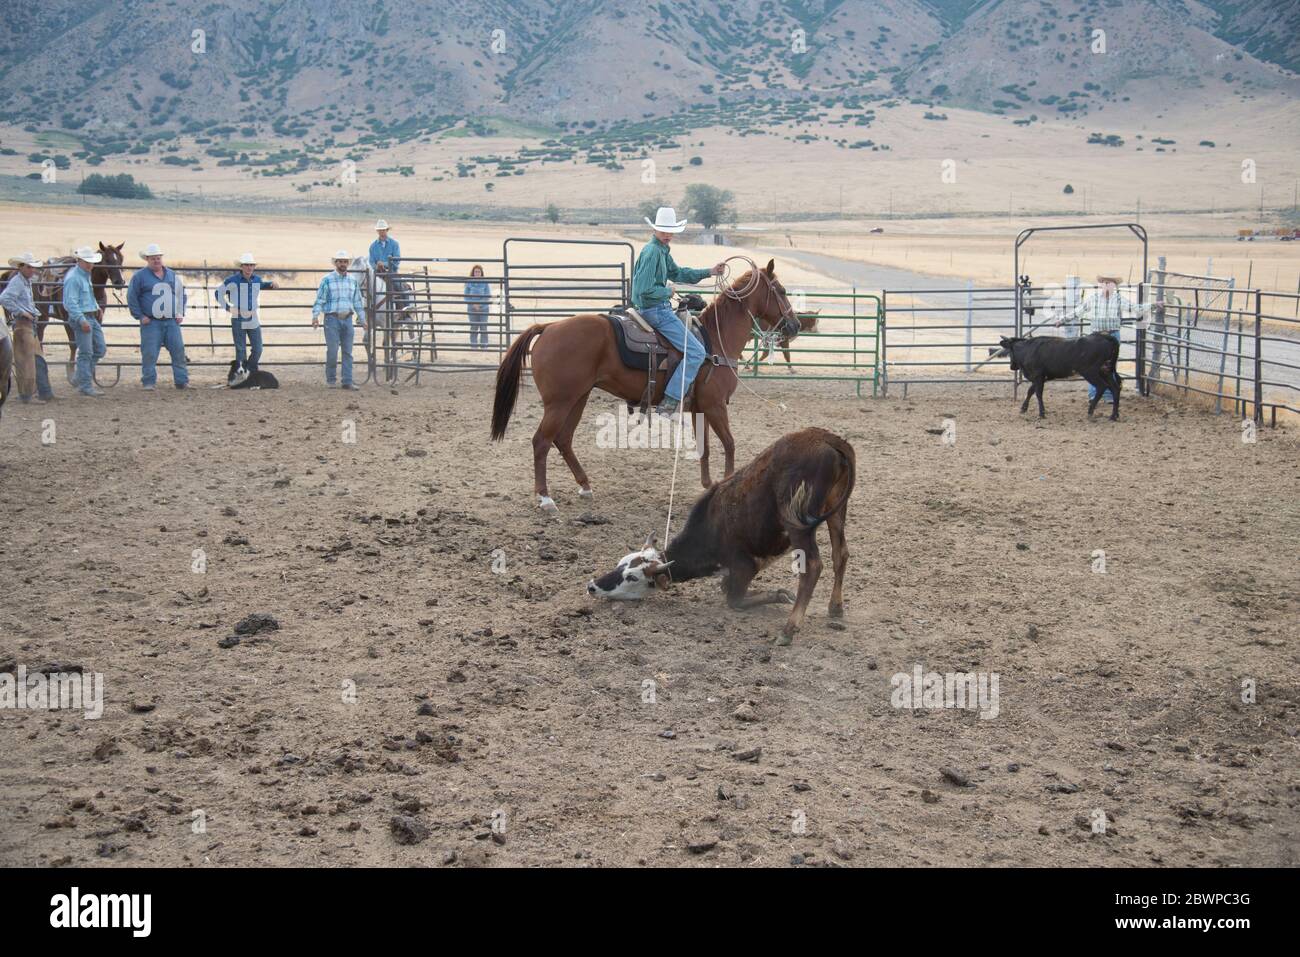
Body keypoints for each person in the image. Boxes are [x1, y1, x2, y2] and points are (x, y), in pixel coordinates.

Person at [631, 206, 724, 417]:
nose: (668, 235)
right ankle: (670, 401)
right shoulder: (653, 252)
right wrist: (668, 291)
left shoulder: (662, 250)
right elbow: (642, 290)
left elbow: (678, 273)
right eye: (664, 231)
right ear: (655, 230)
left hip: (657, 308)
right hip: (655, 311)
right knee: (697, 352)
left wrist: (709, 271)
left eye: (670, 231)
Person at [1060, 275, 1150, 404]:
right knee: (1091, 366)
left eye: (1110, 283)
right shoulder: (1093, 298)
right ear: (1101, 285)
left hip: (1112, 336)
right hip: (1095, 338)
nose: (1107, 285)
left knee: (1109, 366)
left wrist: (1152, 306)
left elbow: (1136, 309)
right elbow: (1078, 311)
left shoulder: (1118, 299)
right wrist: (1062, 320)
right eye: (1104, 282)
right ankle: (1094, 395)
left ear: (1114, 286)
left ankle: (1108, 395)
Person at [127, 243, 189, 391]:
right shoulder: (139, 277)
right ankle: (148, 382)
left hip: (171, 319)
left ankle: (182, 381)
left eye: (158, 258)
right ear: (147, 259)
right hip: (151, 321)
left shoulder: (171, 275)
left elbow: (181, 295)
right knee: (149, 352)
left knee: (178, 350)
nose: (156, 261)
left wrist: (180, 312)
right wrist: (140, 316)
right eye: (153, 258)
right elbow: (132, 297)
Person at [1, 252, 56, 403]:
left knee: (36, 360)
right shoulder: (18, 282)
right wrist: (22, 312)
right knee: (27, 361)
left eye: (33, 267)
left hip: (28, 324)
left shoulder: (24, 281)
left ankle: (44, 392)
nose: (33, 270)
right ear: (21, 267)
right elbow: (4, 298)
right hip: (23, 324)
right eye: (29, 267)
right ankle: (27, 395)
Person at [215, 253, 276, 380]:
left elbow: (263, 284)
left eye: (251, 265)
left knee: (258, 348)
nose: (249, 267)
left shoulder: (257, 280)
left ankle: (250, 370)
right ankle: (242, 375)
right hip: (238, 316)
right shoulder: (232, 280)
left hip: (253, 316)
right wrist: (228, 308)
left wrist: (271, 284)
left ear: (254, 267)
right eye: (247, 265)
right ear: (241, 267)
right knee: (240, 349)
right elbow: (218, 293)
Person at [312, 250, 366, 390]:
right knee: (333, 350)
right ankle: (331, 379)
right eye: (340, 261)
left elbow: (357, 302)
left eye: (345, 262)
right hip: (332, 318)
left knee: (348, 351)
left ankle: (347, 381)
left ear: (347, 264)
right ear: (336, 263)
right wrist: (315, 315)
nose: (343, 264)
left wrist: (363, 319)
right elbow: (320, 299)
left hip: (347, 318)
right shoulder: (327, 279)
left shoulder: (352, 281)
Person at [62, 246, 107, 397]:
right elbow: (70, 303)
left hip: (90, 316)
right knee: (86, 352)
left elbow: (88, 296)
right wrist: (82, 320)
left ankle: (80, 377)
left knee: (99, 349)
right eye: (87, 261)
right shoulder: (74, 278)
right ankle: (85, 385)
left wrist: (96, 307)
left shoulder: (84, 275)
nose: (90, 264)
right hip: (83, 317)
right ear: (79, 261)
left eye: (91, 262)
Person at [464, 265, 491, 350]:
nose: (477, 273)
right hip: (472, 308)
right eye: (475, 271)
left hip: (484, 308)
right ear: (473, 273)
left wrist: (480, 304)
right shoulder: (469, 282)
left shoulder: (485, 282)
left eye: (479, 272)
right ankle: (474, 346)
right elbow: (466, 296)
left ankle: (484, 346)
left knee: (483, 327)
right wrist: (473, 304)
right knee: (474, 327)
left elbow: (487, 295)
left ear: (481, 273)